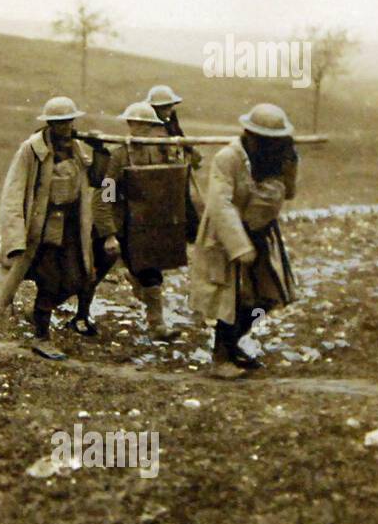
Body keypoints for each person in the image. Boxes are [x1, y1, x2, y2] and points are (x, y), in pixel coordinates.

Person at [189, 103, 299, 379]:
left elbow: (289, 194)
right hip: (227, 235)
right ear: (251, 136)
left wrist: (291, 165)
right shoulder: (229, 158)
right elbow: (220, 202)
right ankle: (221, 356)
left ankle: (234, 343)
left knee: (270, 295)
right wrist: (239, 246)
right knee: (231, 299)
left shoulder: (275, 160)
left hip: (262, 233)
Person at [0, 96, 109, 358]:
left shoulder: (77, 148)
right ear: (49, 124)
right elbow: (12, 193)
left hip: (71, 226)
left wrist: (100, 150)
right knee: (50, 279)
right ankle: (41, 336)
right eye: (58, 123)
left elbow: (97, 179)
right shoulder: (31, 149)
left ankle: (38, 314)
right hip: (42, 228)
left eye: (68, 122)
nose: (64, 127)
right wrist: (14, 238)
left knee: (77, 279)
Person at [81, 101, 189, 340]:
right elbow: (104, 194)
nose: (139, 128)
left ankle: (157, 326)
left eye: (146, 125)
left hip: (144, 227)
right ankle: (80, 316)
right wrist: (108, 233)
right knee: (93, 272)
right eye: (135, 124)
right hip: (119, 225)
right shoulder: (119, 155)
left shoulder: (159, 151)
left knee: (151, 274)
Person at [146, 84, 202, 239]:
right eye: (163, 107)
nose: (168, 111)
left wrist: (190, 153)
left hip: (175, 178)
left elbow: (184, 147)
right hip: (156, 182)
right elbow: (107, 185)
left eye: (169, 107)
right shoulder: (148, 132)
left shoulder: (172, 126)